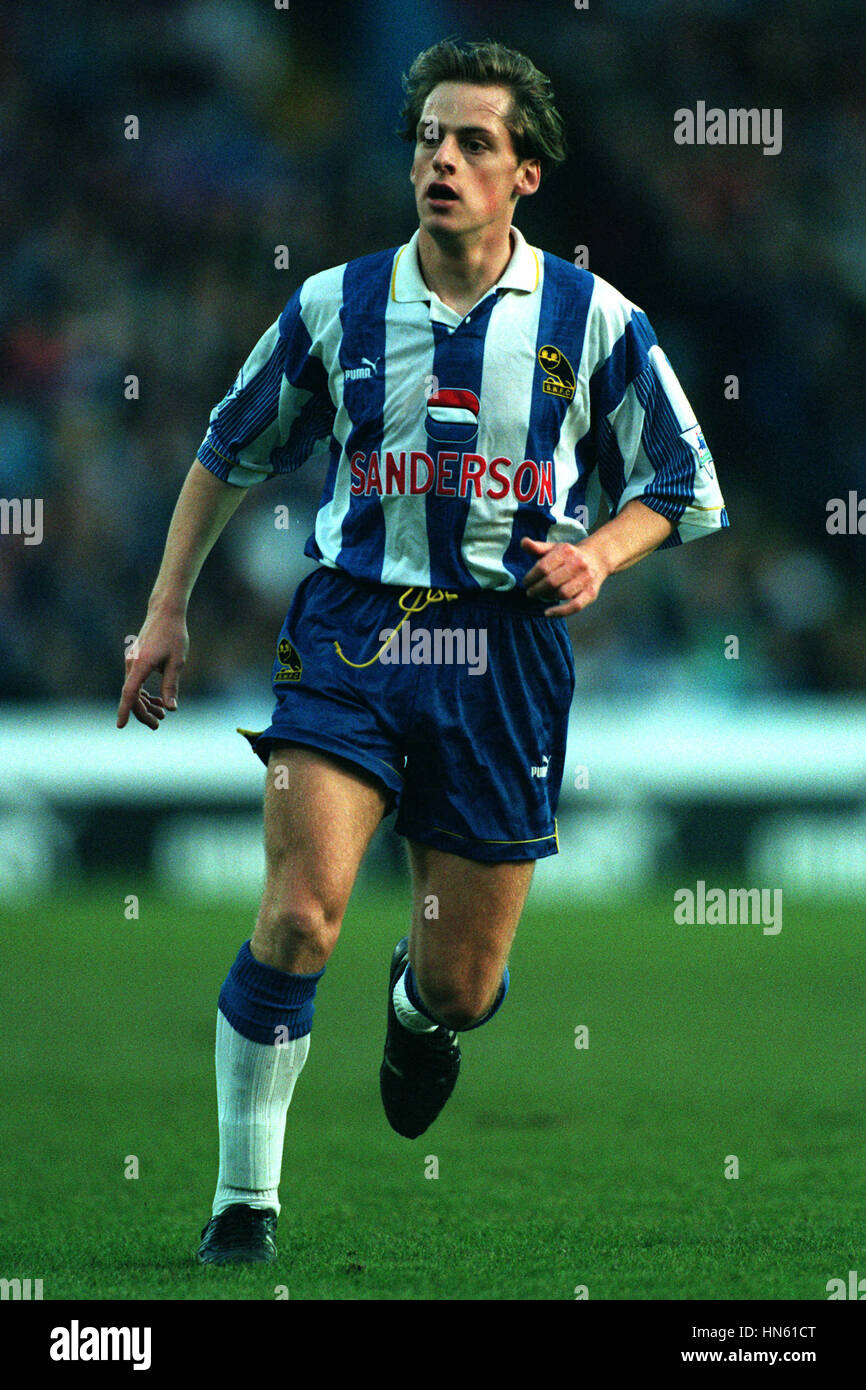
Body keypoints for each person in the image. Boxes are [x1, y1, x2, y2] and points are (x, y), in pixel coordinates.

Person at [117, 38, 728, 1266]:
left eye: (473, 142)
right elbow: (229, 448)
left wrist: (600, 554)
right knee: (296, 915)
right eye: (426, 138)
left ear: (526, 175)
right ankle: (244, 1207)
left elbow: (688, 485)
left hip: (502, 655)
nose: (440, 159)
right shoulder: (334, 304)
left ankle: (416, 1008)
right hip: (353, 631)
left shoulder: (590, 318)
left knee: (461, 983)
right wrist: (167, 608)